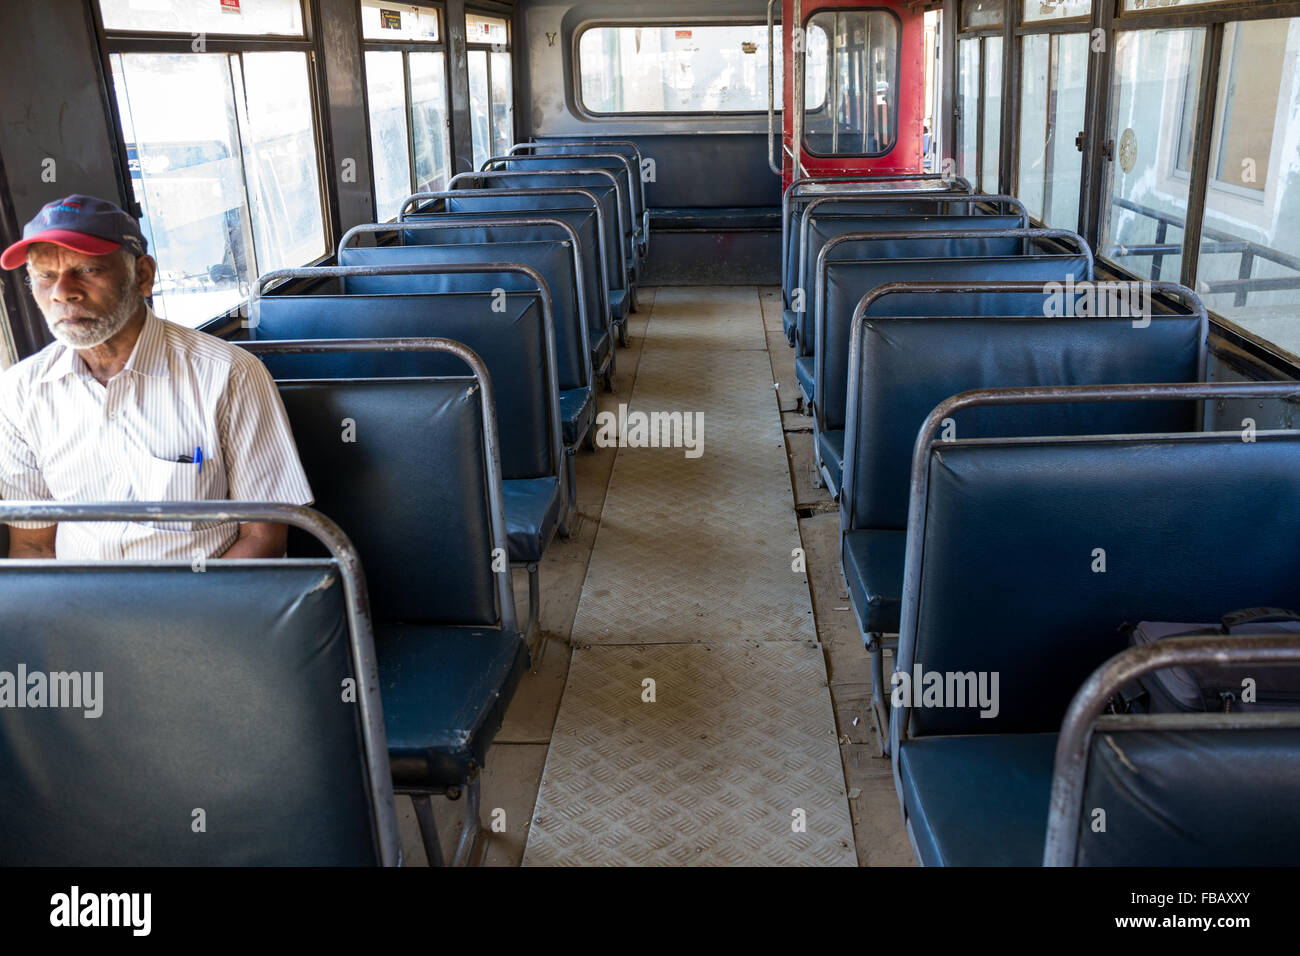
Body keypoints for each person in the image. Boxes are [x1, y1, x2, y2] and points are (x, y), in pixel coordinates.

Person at [0, 194, 312, 560]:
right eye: (44, 276)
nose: (62, 293)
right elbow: (34, 544)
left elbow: (263, 538)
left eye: (87, 270)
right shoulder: (19, 391)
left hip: (202, 602)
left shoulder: (229, 374)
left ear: (143, 276)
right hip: (79, 608)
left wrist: (191, 615)